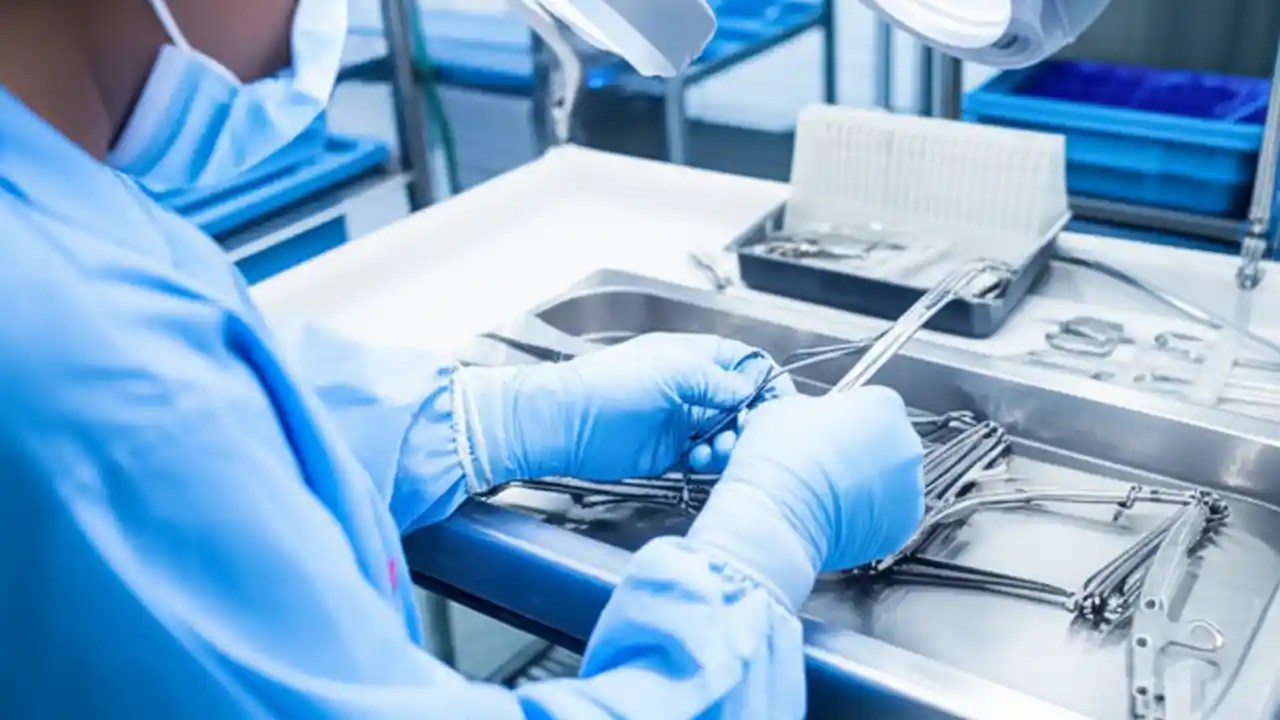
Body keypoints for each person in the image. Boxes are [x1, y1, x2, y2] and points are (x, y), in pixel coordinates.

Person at [0, 1, 925, 717]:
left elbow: (224, 430)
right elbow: (153, 428)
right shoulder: (81, 367)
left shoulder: (51, 192)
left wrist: (490, 420)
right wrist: (764, 545)